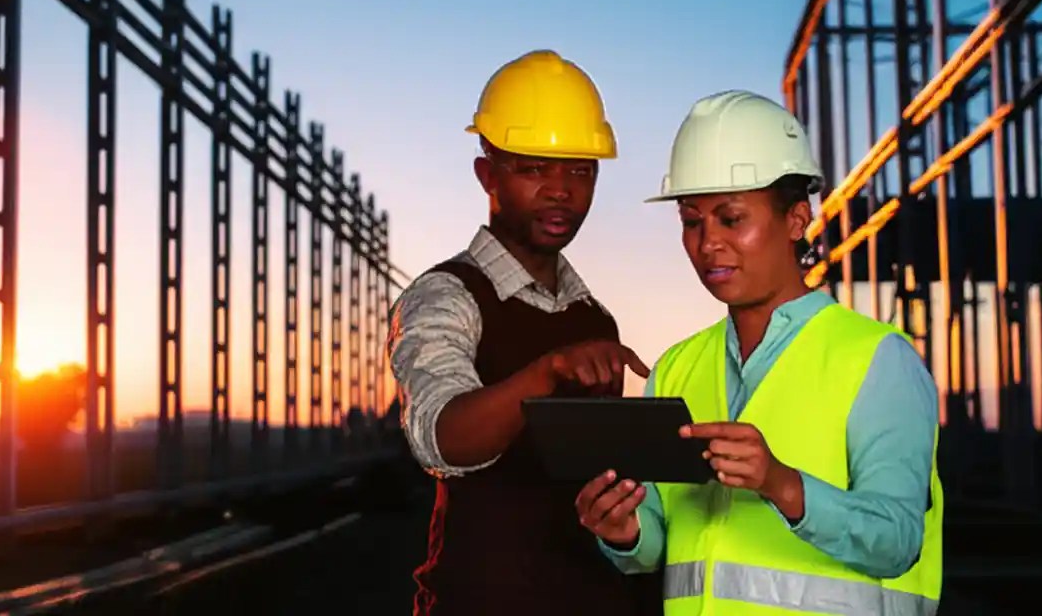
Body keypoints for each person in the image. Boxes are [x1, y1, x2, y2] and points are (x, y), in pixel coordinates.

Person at [574, 90, 943, 614]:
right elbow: (659, 544)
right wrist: (624, 530)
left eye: (731, 218)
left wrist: (782, 485)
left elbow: (898, 540)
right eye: (691, 221)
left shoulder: (877, 360)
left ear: (796, 219)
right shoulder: (677, 367)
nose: (707, 243)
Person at [389, 49, 662, 616]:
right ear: (487, 174)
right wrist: (546, 374)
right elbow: (441, 437)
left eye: (580, 171)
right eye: (534, 168)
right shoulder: (448, 295)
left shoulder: (594, 320)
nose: (561, 190)